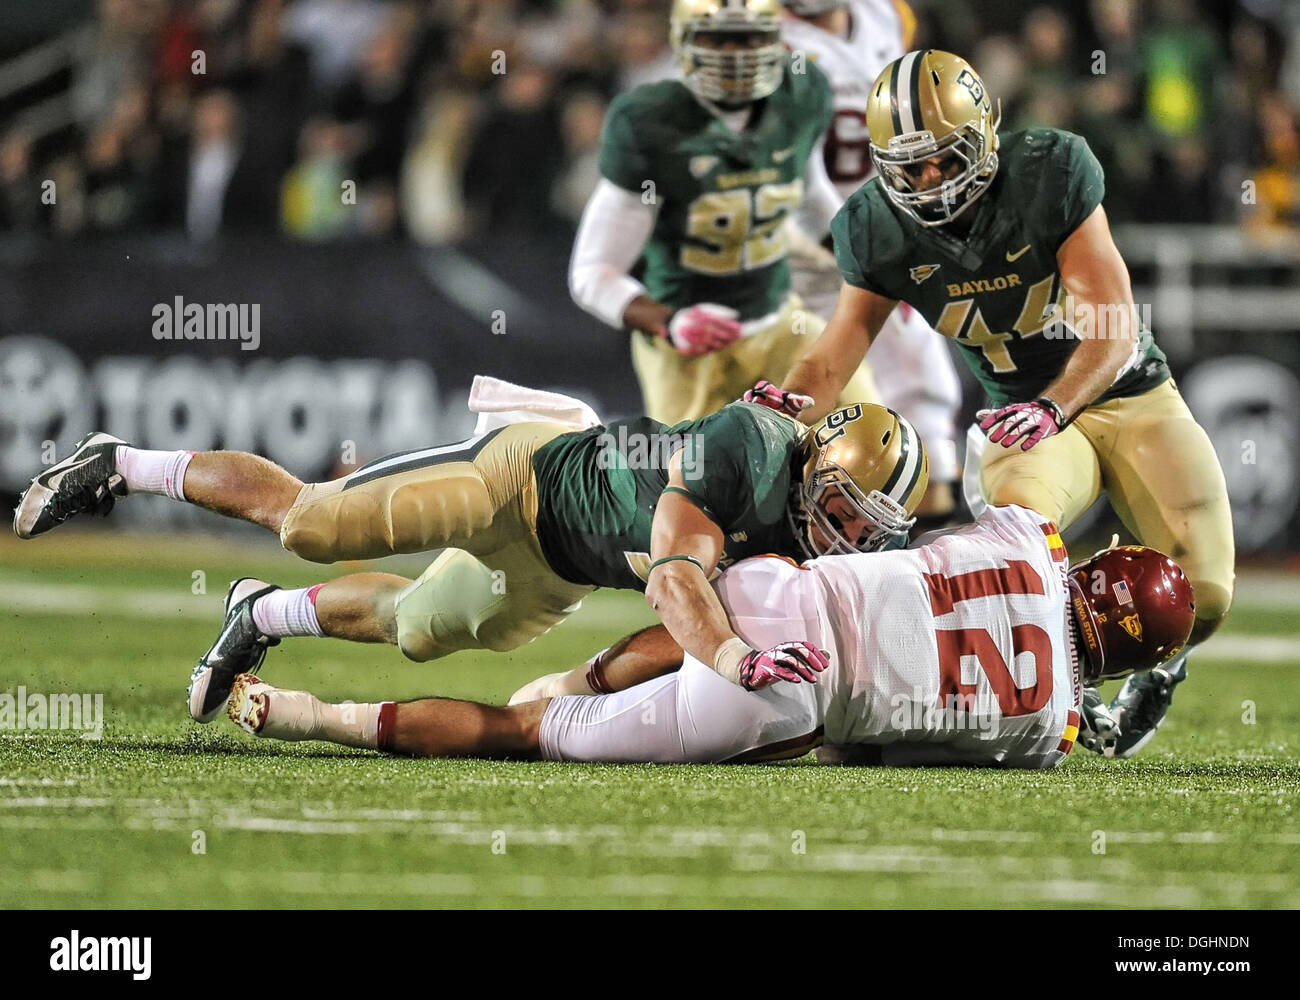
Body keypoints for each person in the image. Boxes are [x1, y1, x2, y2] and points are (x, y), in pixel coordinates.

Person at [764, 50, 1233, 757]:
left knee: (1208, 594)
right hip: (1023, 413)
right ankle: (1069, 679)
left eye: (946, 160)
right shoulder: (876, 227)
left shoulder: (1049, 172)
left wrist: (1057, 405)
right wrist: (774, 409)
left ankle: (1158, 666)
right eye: (909, 168)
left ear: (986, 135)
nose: (930, 182)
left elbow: (1112, 325)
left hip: (1123, 392)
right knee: (1020, 559)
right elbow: (833, 356)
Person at [12, 398, 926, 725]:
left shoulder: (819, 538)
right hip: (520, 476)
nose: (843, 539)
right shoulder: (749, 455)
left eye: (866, 531)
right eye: (841, 511)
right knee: (313, 524)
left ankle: (257, 614)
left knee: (415, 630)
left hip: (560, 570)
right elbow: (680, 580)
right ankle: (122, 463)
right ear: (816, 467)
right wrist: (731, 658)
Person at [222, 501, 1196, 769]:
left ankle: (581, 672)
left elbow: (1000, 500)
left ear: (1100, 573)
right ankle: (311, 716)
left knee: (730, 613)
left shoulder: (1034, 540)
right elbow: (874, 752)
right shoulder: (1050, 730)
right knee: (525, 738)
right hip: (791, 691)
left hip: (784, 588)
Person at [568, 0, 878, 425]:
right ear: (684, 40)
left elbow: (808, 195)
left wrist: (869, 262)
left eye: (751, 38)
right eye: (719, 38)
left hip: (778, 323)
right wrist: (670, 322)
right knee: (695, 481)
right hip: (685, 351)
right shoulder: (651, 122)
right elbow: (591, 273)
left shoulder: (801, 94)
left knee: (866, 428)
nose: (737, 55)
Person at [779, 0, 963, 532]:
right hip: (805, 255)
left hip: (884, 233)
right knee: (813, 404)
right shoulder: (769, 39)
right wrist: (860, 247)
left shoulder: (887, 16)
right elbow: (798, 177)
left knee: (921, 382)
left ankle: (934, 546)